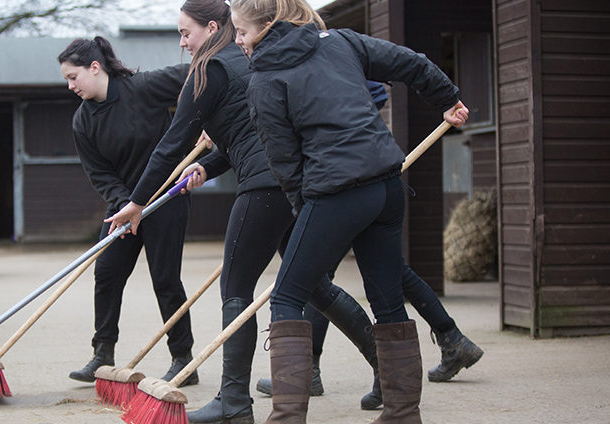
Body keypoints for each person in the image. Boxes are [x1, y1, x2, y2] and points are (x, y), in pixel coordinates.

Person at [104, 1, 384, 422]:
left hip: (264, 187)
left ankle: (233, 402)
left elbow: (172, 142)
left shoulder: (210, 70)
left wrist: (137, 202)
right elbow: (249, 133)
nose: (182, 43)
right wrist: (211, 162)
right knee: (312, 286)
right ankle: (387, 367)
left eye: (185, 32)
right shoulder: (248, 58)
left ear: (211, 27)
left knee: (236, 288)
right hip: (295, 184)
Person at [229, 0, 469, 422]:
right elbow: (411, 62)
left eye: (242, 33)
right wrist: (448, 99)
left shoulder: (265, 80)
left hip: (335, 193)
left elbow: (284, 161)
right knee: (388, 300)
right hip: (387, 185)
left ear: (267, 26)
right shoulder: (339, 41)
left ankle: (286, 418)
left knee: (286, 297)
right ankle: (402, 414)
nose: (238, 41)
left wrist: (307, 214)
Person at [254, 86, 484, 398]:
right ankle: (451, 338)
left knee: (319, 276)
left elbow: (375, 90)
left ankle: (311, 370)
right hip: (348, 176)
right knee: (386, 270)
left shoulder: (331, 56)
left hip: (353, 178)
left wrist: (353, 123)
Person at [57, 37, 199, 387]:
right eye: (67, 80)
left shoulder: (144, 87)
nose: (70, 86)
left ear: (95, 67)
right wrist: (125, 205)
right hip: (124, 206)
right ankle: (102, 354)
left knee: (165, 279)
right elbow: (99, 173)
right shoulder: (83, 121)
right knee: (106, 272)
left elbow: (198, 74)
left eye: (74, 77)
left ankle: (184, 359)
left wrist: (208, 117)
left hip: (166, 198)